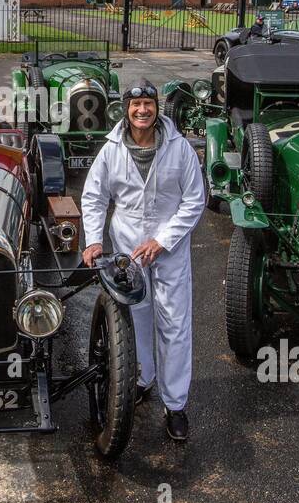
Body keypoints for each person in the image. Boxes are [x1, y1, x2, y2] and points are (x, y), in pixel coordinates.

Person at [80, 78, 205, 442]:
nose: (142, 111)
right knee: (136, 317)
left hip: (169, 250)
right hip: (127, 248)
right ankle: (142, 378)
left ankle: (176, 404)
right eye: (136, 105)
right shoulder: (112, 149)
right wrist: (93, 241)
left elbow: (194, 201)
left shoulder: (179, 149)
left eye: (148, 104)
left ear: (156, 108)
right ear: (126, 108)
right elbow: (94, 196)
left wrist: (163, 241)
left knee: (175, 325)